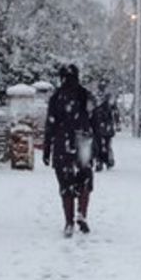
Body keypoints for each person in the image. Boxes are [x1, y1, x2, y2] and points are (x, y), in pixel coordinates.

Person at [43, 64, 102, 236]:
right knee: (85, 180)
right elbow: (95, 123)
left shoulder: (56, 98)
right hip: (83, 142)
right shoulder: (86, 96)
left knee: (65, 183)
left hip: (63, 144)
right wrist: (98, 147)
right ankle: (81, 213)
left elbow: (50, 125)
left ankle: (69, 221)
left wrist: (47, 148)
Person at [92, 82, 118, 170]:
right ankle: (105, 160)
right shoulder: (106, 100)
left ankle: (103, 160)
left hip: (100, 126)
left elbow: (113, 112)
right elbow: (114, 112)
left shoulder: (98, 99)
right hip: (103, 126)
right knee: (104, 145)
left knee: (100, 145)